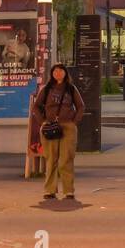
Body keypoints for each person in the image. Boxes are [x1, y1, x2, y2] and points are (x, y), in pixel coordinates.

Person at [32, 64, 85, 200]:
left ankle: (68, 190)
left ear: (65, 73)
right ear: (52, 73)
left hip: (68, 126)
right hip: (50, 126)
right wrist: (42, 121)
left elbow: (80, 106)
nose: (58, 73)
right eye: (55, 71)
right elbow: (36, 107)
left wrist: (74, 121)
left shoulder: (71, 89)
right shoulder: (46, 89)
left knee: (66, 159)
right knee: (51, 159)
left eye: (61, 70)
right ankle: (50, 190)